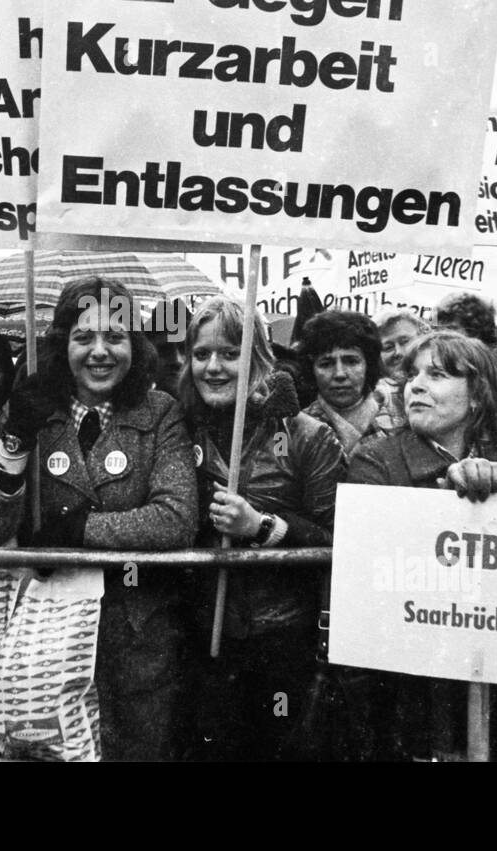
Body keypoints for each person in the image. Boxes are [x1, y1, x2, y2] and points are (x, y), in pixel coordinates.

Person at [0, 277, 197, 761]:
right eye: (83, 337)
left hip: (134, 632)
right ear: (61, 343)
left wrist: (76, 532)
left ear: (134, 344)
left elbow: (174, 518)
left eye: (115, 337)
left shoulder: (161, 413)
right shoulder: (32, 410)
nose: (100, 352)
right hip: (48, 631)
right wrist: (16, 437)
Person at [346, 330, 497, 761]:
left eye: (439, 374)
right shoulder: (375, 460)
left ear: (478, 396)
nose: (417, 385)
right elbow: (380, 567)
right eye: (413, 375)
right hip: (411, 685)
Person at [181, 296, 347, 761]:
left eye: (230, 354)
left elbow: (339, 539)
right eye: (201, 354)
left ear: (258, 360)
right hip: (204, 638)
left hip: (283, 641)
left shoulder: (306, 435)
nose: (213, 367)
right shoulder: (180, 428)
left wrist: (261, 526)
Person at [297, 309, 395, 458]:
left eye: (351, 361)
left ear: (368, 364)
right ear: (312, 369)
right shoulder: (290, 430)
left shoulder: (400, 418)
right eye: (326, 364)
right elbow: (278, 462)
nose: (340, 374)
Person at [374, 309, 428, 429]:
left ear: (424, 339)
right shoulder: (376, 398)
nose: (398, 352)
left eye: (405, 342)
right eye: (388, 347)